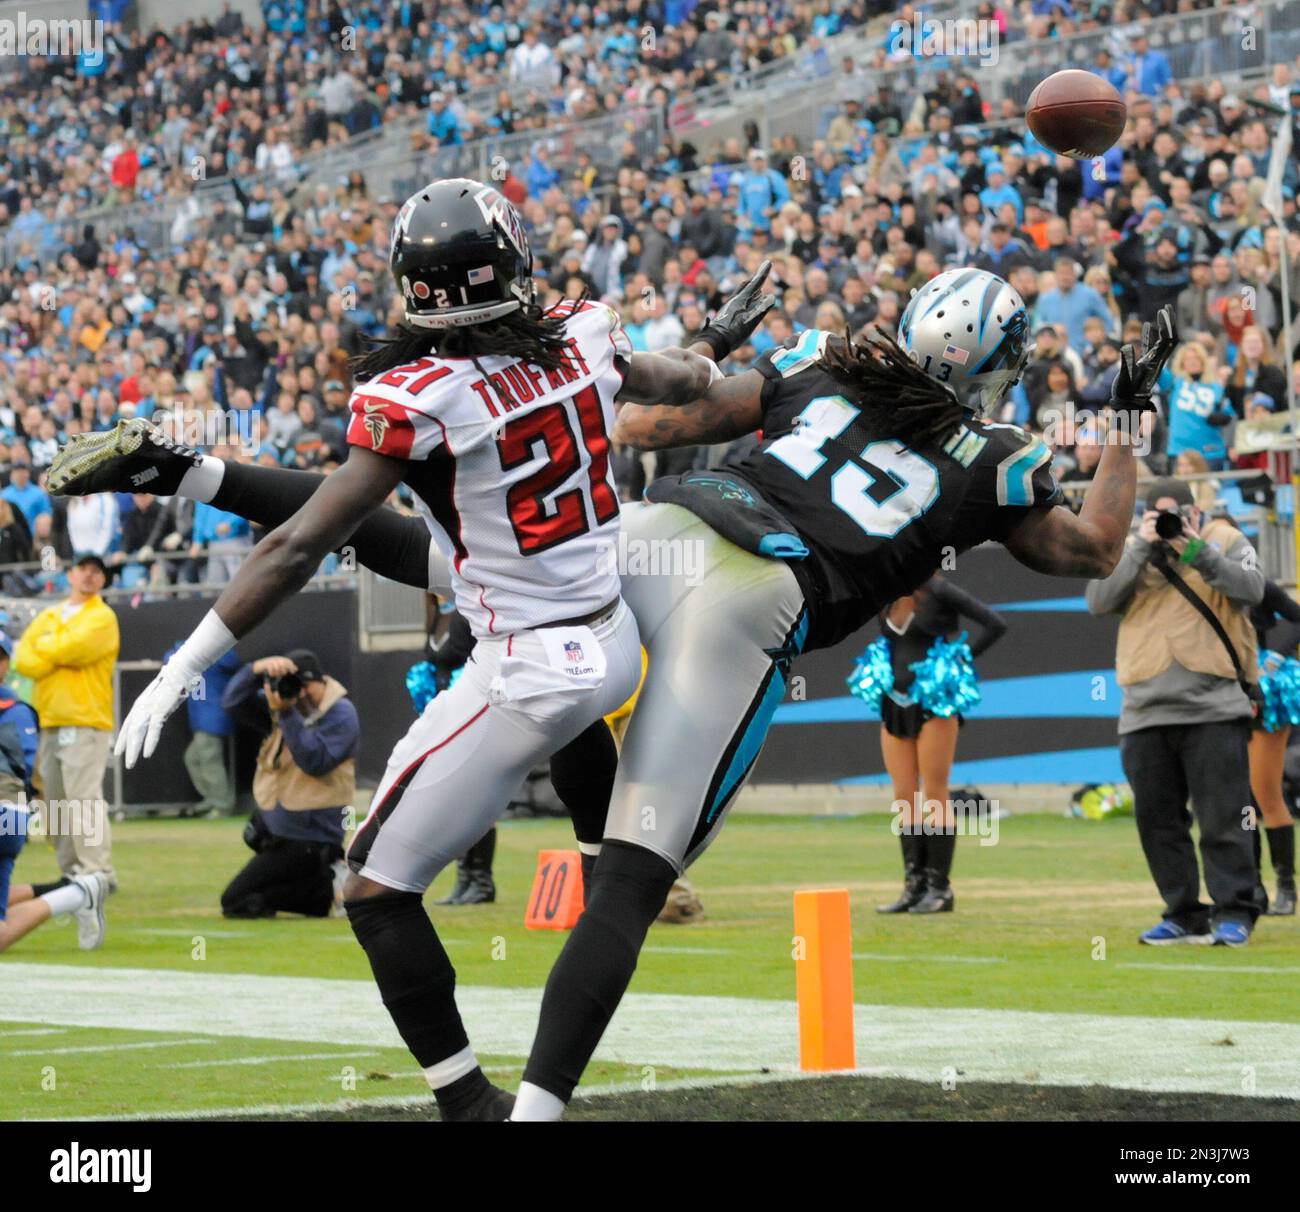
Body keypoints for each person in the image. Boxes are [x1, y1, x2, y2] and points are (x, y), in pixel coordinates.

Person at [54, 269, 1177, 1119]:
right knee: (637, 884)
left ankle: (187, 468)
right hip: (754, 600)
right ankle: (536, 1111)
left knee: (434, 551)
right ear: (996, 364)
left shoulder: (825, 368)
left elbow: (642, 424)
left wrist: (689, 365)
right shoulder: (998, 455)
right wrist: (1129, 416)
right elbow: (1093, 546)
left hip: (659, 531)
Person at [56, 178, 772, 1123]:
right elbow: (682, 378)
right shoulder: (584, 330)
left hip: (527, 661)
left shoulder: (421, 395)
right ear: (513, 260)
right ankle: (184, 469)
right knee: (401, 540)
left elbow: (299, 543)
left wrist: (186, 663)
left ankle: (470, 1104)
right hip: (603, 627)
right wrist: (716, 342)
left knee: (373, 888)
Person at [1086, 478, 1264, 947]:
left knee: (1223, 816)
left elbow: (1250, 590)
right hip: (1144, 709)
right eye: (1157, 515)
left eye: (1176, 515)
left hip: (1212, 707)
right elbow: (1098, 601)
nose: (1166, 523)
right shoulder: (1128, 550)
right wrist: (1143, 547)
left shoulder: (1223, 540)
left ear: (1195, 513)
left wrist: (1193, 549)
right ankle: (1184, 912)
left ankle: (1235, 910)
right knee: (1158, 821)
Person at [866, 577, 1007, 914]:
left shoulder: (939, 590)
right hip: (894, 702)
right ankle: (913, 887)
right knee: (903, 795)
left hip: (935, 702)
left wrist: (960, 661)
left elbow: (995, 623)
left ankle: (940, 889)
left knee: (935, 792)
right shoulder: (886, 592)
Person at [219, 649, 358, 918]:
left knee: (235, 901)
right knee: (253, 832)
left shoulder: (341, 713)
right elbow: (232, 702)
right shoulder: (283, 705)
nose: (302, 694)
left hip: (311, 836)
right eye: (297, 686)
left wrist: (286, 714)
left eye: (308, 687)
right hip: (279, 831)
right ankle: (318, 891)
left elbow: (313, 761)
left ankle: (325, 888)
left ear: (323, 681)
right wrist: (257, 668)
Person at [13, 553, 120, 892]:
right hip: (50, 719)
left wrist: (47, 647)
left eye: (96, 572)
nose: (89, 576)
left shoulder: (103, 617)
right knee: (54, 802)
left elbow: (74, 649)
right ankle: (71, 872)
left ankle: (98, 872)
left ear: (103, 580)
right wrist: (51, 651)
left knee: (84, 798)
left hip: (85, 720)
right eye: (83, 570)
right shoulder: (50, 614)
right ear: (70, 575)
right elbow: (23, 660)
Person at [0, 631, 110, 953]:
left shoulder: (15, 711)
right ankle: (76, 893)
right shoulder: (19, 710)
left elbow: (19, 776)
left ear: (6, 664)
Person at [1247, 579, 1300, 916]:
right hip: (1215, 689)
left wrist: (1278, 655)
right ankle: (1249, 886)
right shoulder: (1198, 578)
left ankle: (1286, 886)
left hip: (1262, 691)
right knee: (1237, 801)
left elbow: (1298, 617)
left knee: (1265, 792)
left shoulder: (1254, 584)